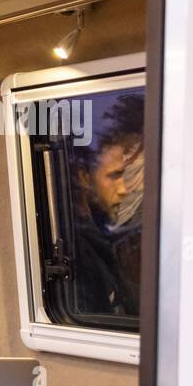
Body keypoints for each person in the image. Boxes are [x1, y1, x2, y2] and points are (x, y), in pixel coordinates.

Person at [70, 131, 141, 317]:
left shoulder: (118, 230)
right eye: (115, 175)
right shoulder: (78, 249)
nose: (126, 189)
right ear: (85, 177)